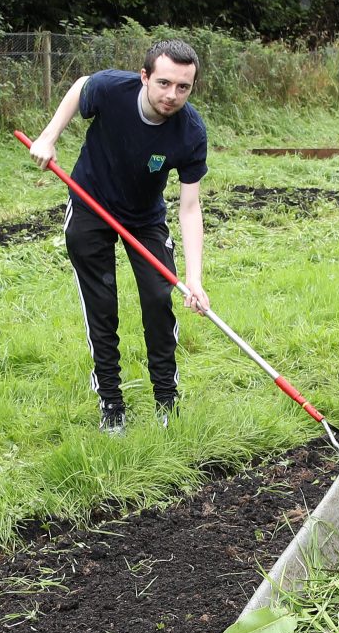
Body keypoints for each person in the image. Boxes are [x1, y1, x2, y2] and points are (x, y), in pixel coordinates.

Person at [24, 42, 211, 433]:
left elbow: (190, 207)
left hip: (145, 217)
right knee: (102, 304)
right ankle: (111, 403)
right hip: (91, 204)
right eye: (163, 83)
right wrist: (49, 137)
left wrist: (194, 279)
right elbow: (80, 87)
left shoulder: (190, 131)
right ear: (144, 77)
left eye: (183, 87)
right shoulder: (112, 89)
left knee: (160, 298)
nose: (171, 95)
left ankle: (166, 400)